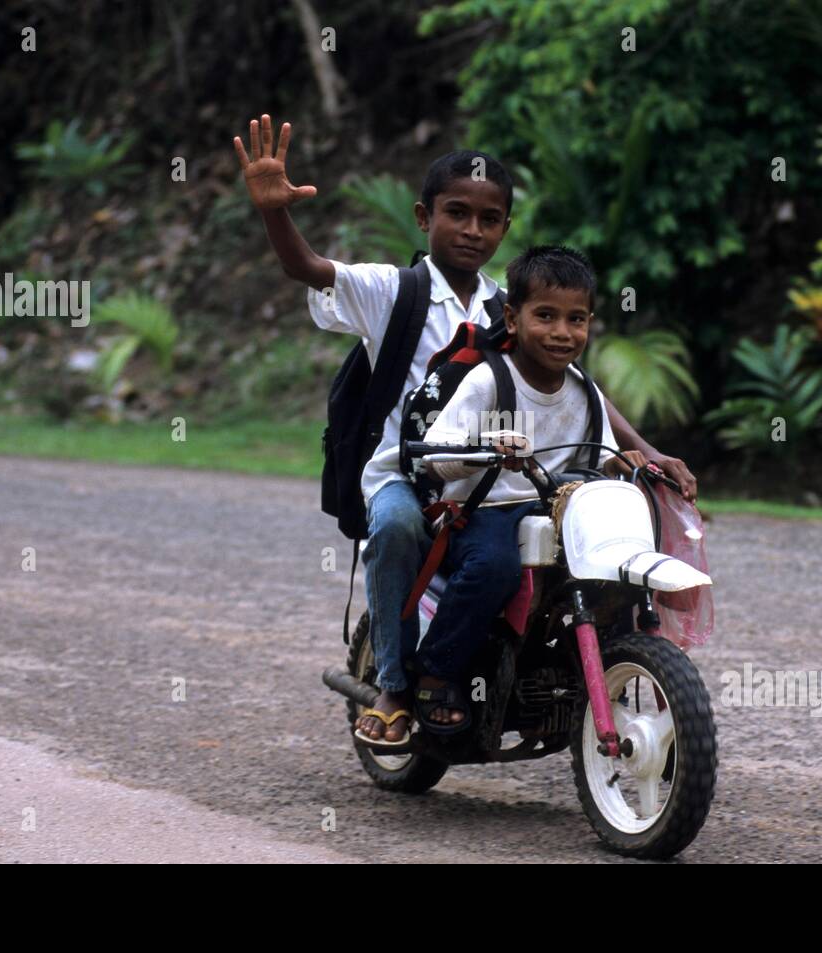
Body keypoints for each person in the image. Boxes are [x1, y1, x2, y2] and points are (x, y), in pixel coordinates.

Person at [233, 114, 697, 745]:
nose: (472, 230)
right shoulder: (391, 290)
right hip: (406, 469)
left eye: (488, 219)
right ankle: (397, 685)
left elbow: (577, 383)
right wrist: (273, 213)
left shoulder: (513, 302)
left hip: (488, 479)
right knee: (395, 525)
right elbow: (310, 268)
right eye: (457, 213)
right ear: (425, 218)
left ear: (505, 228)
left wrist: (646, 451)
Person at [413, 245, 647, 730]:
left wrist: (625, 464)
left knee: (619, 573)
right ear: (512, 319)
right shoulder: (488, 380)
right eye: (546, 316)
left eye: (576, 319)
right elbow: (435, 452)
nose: (562, 333)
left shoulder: (585, 391)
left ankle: (612, 680)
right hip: (486, 513)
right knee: (494, 568)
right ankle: (437, 671)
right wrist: (486, 444)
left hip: (560, 512)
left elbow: (599, 454)